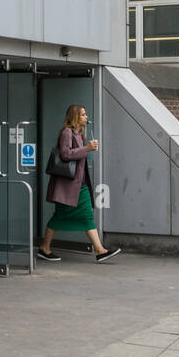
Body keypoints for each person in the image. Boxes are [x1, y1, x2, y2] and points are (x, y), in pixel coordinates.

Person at [38, 104, 121, 263]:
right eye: (83, 115)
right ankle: (98, 250)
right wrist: (87, 148)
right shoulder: (66, 132)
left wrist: (87, 147)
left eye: (85, 115)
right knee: (64, 216)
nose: (86, 117)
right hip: (68, 185)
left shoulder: (79, 133)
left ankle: (98, 250)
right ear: (75, 117)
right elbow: (65, 154)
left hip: (78, 184)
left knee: (82, 215)